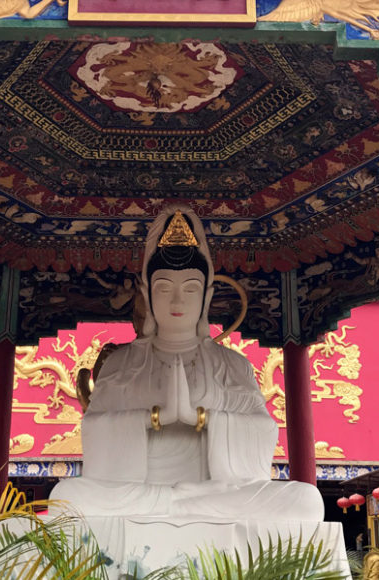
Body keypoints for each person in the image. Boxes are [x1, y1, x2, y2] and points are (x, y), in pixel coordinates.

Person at [50, 206, 324, 520]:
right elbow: (95, 429)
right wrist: (155, 418)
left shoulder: (233, 366)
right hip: (142, 493)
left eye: (190, 289)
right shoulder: (120, 364)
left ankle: (180, 504)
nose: (177, 301)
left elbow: (262, 430)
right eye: (164, 288)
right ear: (147, 293)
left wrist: (202, 419)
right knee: (66, 497)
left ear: (207, 295)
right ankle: (175, 504)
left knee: (307, 500)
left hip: (214, 493)